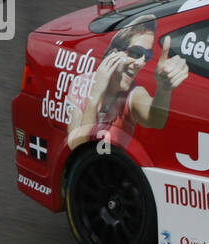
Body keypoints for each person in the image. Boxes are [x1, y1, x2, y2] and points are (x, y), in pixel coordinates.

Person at [66, 14, 190, 149]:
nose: (141, 63)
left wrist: (164, 89)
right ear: (113, 53)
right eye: (136, 53)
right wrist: (95, 95)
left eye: (147, 56)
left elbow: (156, 120)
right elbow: (76, 146)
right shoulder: (82, 83)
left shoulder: (134, 93)